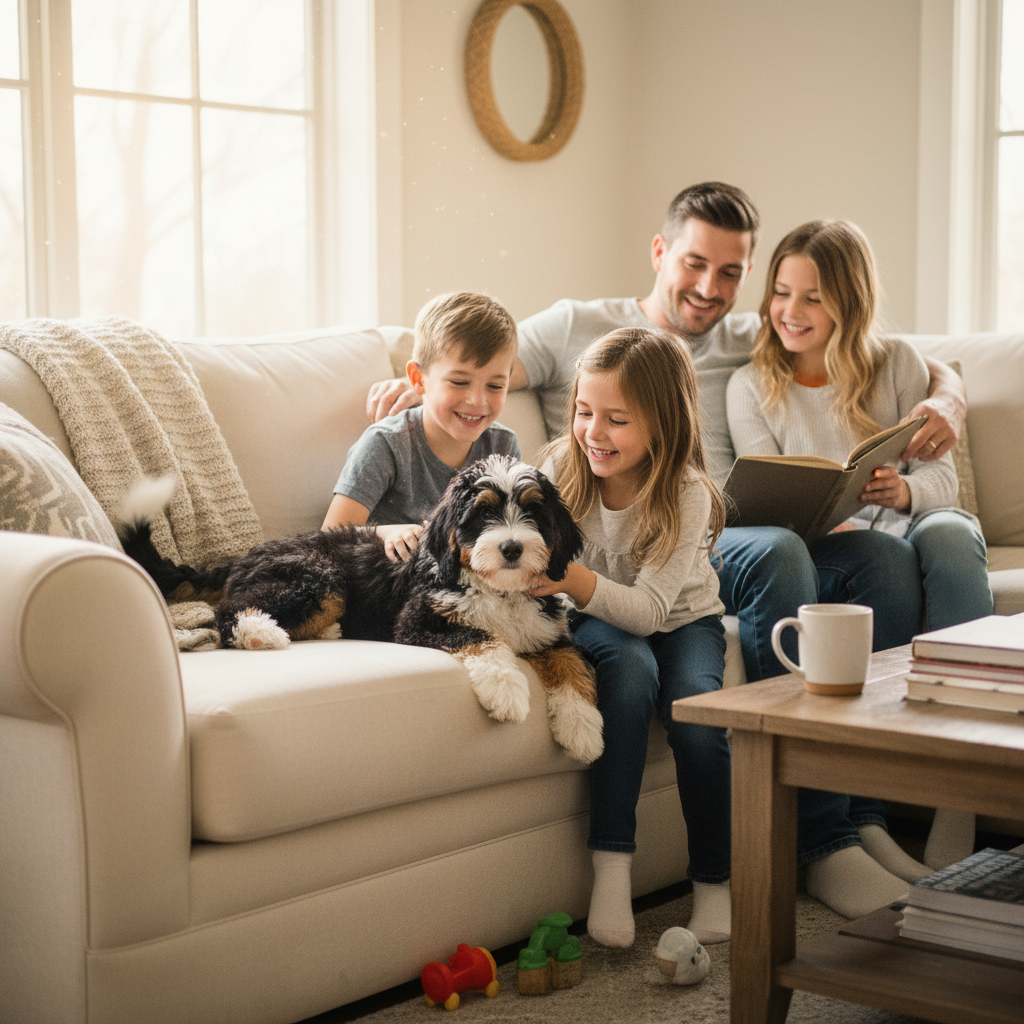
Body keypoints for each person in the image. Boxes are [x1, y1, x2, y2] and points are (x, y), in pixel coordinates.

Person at [365, 183, 969, 918]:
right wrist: (417, 387)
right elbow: (475, 363)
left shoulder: (760, 330)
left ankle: (866, 814)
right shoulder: (577, 329)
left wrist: (947, 396)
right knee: (779, 554)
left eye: (731, 272)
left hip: (702, 529)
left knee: (886, 561)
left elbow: (875, 346)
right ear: (660, 252)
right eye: (695, 264)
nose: (710, 288)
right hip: (650, 547)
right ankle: (819, 839)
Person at [727, 218, 991, 871]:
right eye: (781, 293)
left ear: (850, 300)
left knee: (951, 538)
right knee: (884, 560)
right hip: (822, 543)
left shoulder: (897, 365)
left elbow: (938, 474)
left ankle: (961, 795)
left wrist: (902, 494)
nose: (790, 311)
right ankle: (864, 818)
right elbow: (765, 493)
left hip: (904, 522)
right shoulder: (750, 385)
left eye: (813, 297)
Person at [527, 327, 732, 947]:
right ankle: (611, 873)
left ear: (663, 425)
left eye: (616, 419)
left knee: (697, 721)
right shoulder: (559, 467)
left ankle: (715, 884)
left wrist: (572, 575)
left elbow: (646, 611)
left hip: (684, 620)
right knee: (630, 675)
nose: (593, 431)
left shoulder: (687, 493)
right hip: (593, 619)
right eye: (585, 412)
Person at [324, 291, 520, 558]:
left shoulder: (502, 444)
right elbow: (329, 536)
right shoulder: (386, 444)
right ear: (418, 379)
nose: (477, 400)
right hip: (392, 581)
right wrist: (386, 533)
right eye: (459, 382)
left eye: (495, 386)